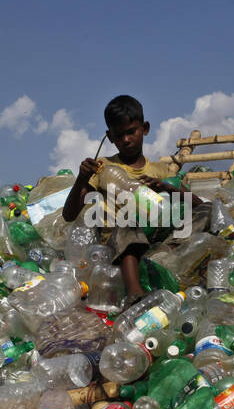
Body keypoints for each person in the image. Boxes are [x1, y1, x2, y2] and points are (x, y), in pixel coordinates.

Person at [62, 95, 208, 302]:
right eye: (119, 135)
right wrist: (82, 178)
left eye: (132, 132)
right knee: (127, 218)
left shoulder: (160, 170)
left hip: (157, 236)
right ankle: (135, 294)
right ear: (109, 137)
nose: (126, 140)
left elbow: (198, 205)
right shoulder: (102, 168)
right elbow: (69, 215)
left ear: (145, 128)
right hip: (121, 243)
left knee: (207, 211)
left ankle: (169, 256)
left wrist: (166, 187)